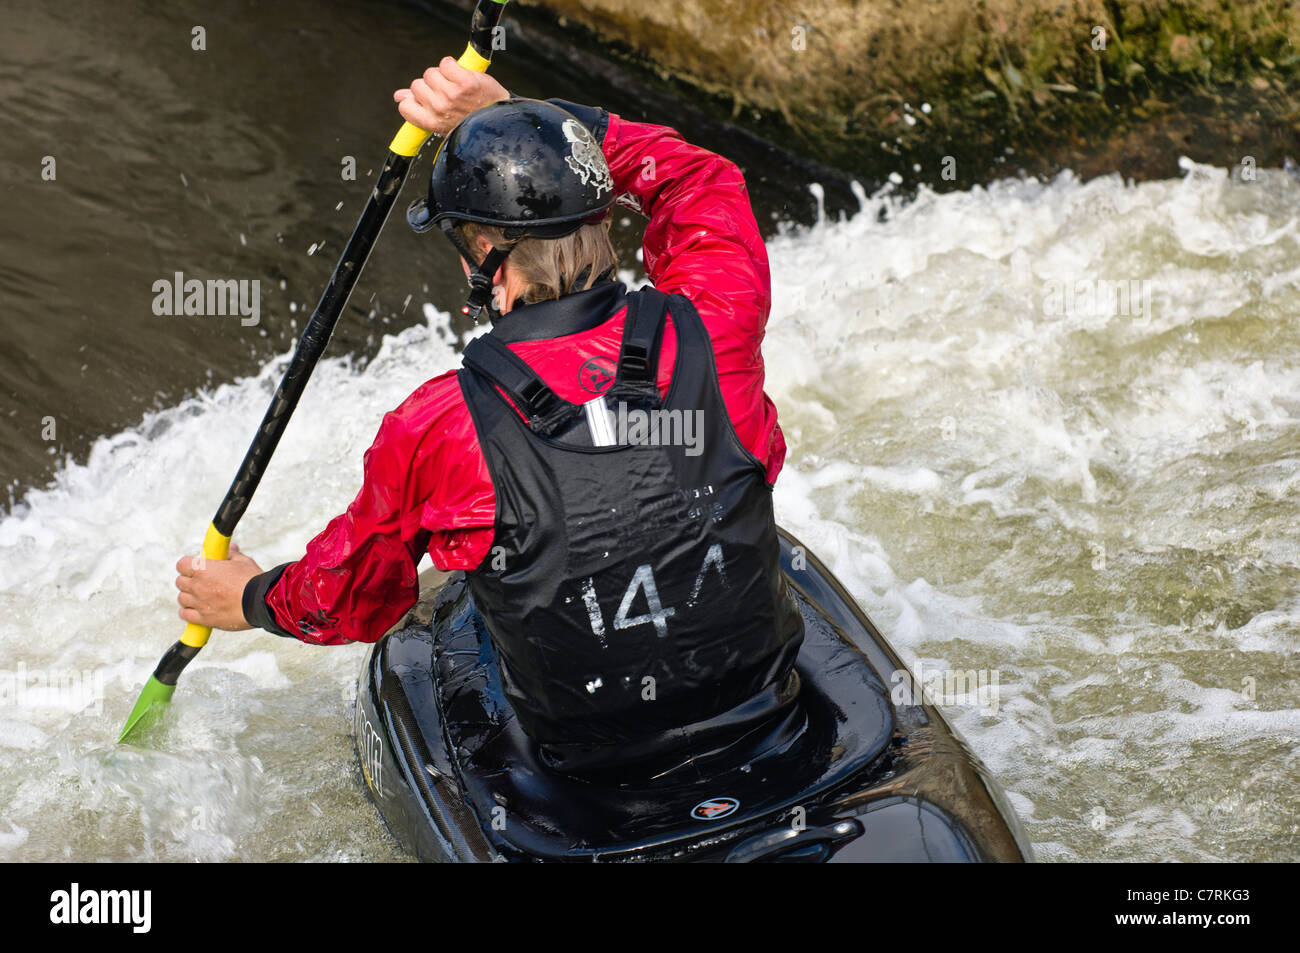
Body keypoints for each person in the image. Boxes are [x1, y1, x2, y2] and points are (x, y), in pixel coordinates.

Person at [175, 57, 804, 771]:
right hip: (764, 714)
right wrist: (546, 123)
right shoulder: (712, 326)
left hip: (593, 768)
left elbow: (352, 596)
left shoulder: (441, 422)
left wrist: (249, 597)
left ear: (485, 254)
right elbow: (699, 179)